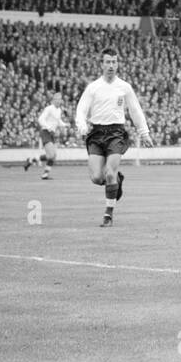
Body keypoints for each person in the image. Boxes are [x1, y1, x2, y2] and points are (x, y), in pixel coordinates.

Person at [75, 47, 154, 227]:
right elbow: (81, 109)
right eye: (108, 62)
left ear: (117, 64)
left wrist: (144, 132)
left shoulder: (124, 87)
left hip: (115, 133)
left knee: (109, 172)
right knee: (96, 177)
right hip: (96, 133)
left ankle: (108, 215)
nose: (111, 65)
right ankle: (117, 181)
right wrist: (81, 125)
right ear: (102, 64)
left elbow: (135, 110)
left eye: (114, 62)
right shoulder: (93, 87)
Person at [24, 91, 67, 180]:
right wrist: (47, 127)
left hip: (51, 133)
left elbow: (58, 121)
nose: (59, 101)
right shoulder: (49, 108)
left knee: (53, 156)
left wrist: (65, 124)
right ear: (53, 100)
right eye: (57, 99)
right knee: (51, 155)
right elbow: (40, 119)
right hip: (45, 132)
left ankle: (40, 169)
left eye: (60, 99)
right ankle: (32, 160)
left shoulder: (59, 110)